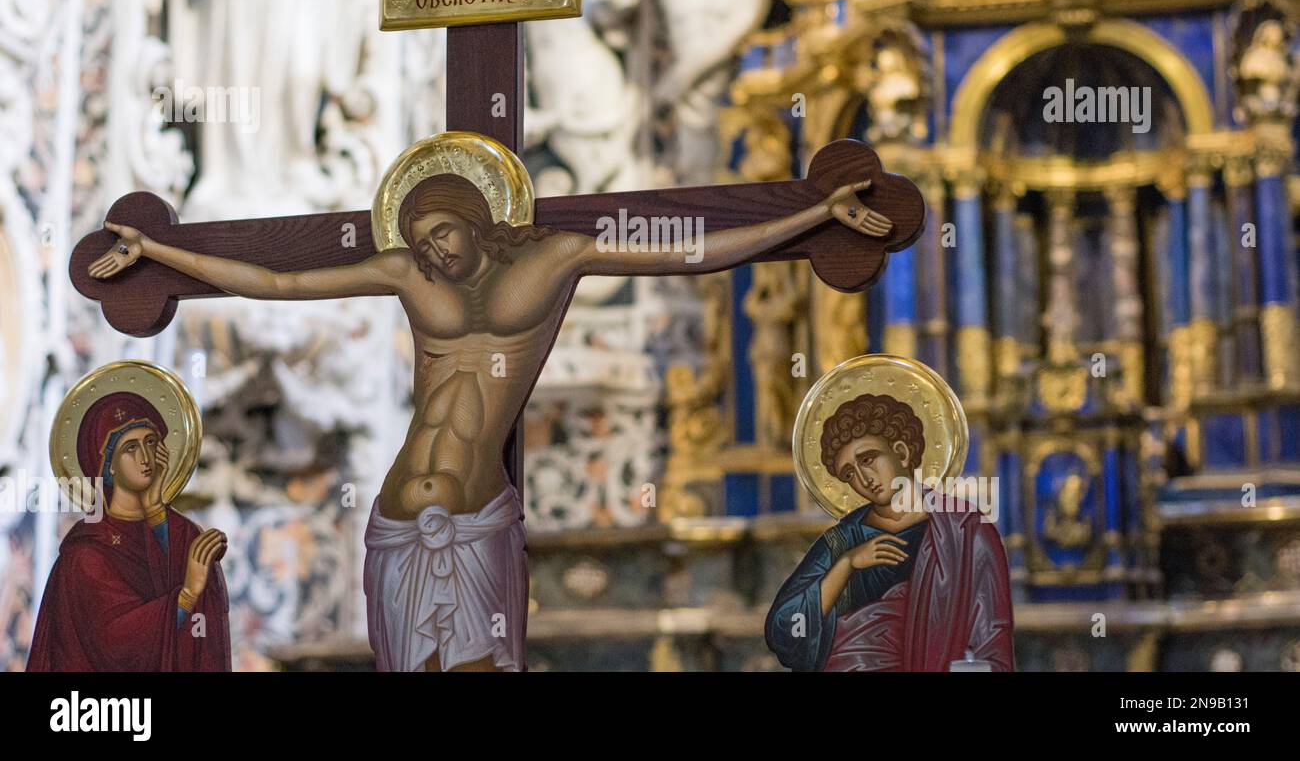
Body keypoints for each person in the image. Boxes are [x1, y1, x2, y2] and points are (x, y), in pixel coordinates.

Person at [89, 169, 891, 671]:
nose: (433, 254)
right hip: (398, 520)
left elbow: (693, 249)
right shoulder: (405, 271)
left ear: (476, 221)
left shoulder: (553, 258)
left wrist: (812, 216)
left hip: (474, 520)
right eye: (422, 242)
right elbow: (277, 284)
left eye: (442, 235)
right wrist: (166, 256)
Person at [765, 392, 1014, 671]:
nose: (864, 479)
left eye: (868, 459)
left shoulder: (966, 530)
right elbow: (785, 631)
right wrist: (846, 565)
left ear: (902, 452)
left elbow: (990, 636)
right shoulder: (842, 541)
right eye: (849, 473)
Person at [28, 392, 230, 671]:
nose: (145, 457)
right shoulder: (85, 551)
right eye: (130, 448)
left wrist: (156, 509)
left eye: (150, 442)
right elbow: (117, 640)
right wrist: (186, 595)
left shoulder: (181, 533)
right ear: (108, 465)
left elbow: (202, 629)